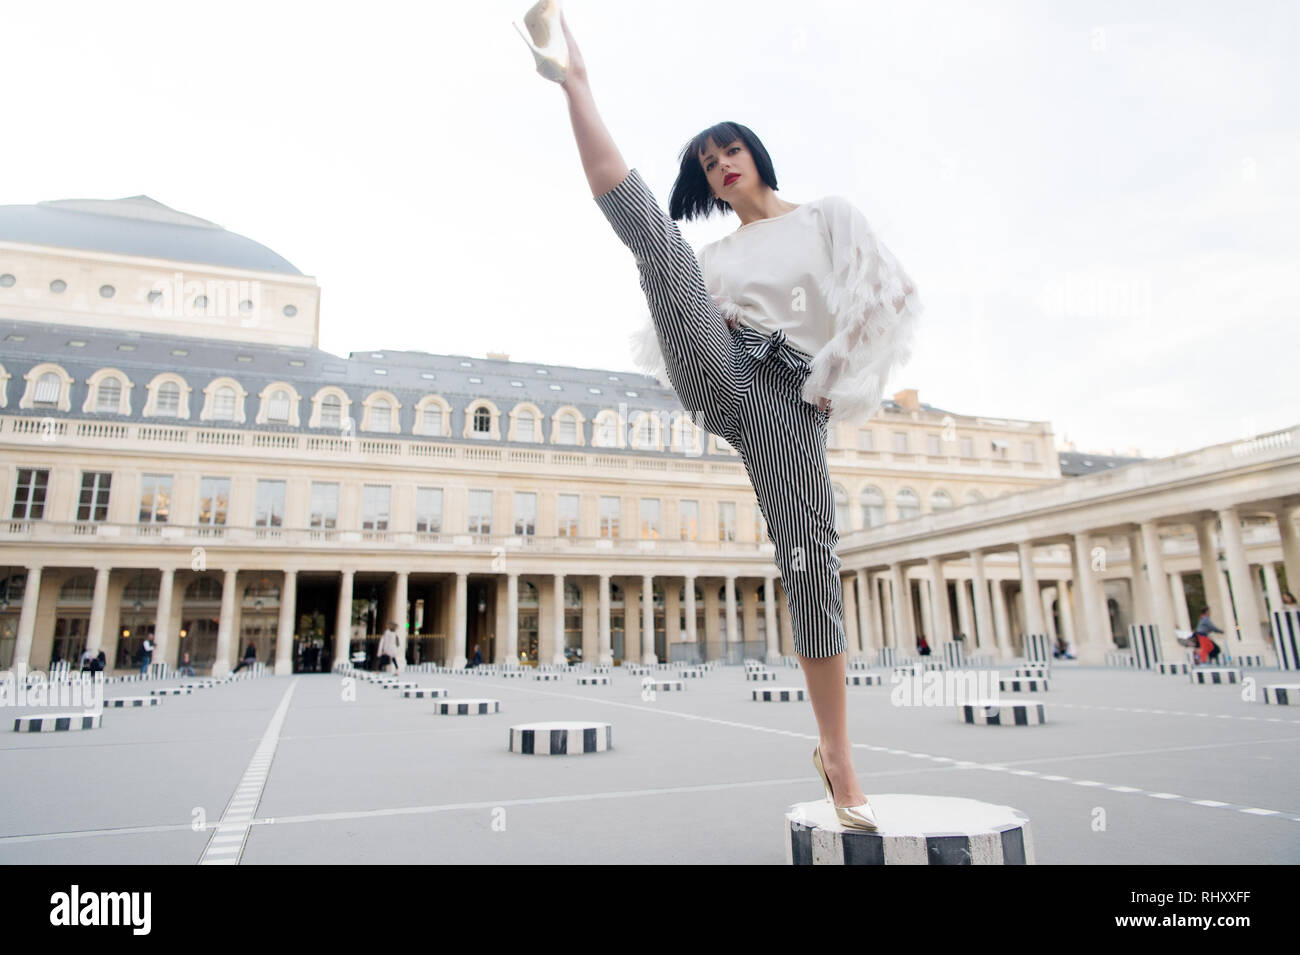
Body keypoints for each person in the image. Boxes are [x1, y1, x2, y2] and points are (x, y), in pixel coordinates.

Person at [515, 3, 922, 833]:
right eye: (707, 161)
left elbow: (889, 300)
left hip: (791, 399)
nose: (720, 165)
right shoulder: (716, 257)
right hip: (722, 371)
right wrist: (576, 82)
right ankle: (574, 85)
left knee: (811, 558)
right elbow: (680, 307)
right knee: (656, 247)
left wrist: (831, 383)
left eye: (729, 149)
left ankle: (836, 750)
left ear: (755, 154)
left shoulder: (828, 217)